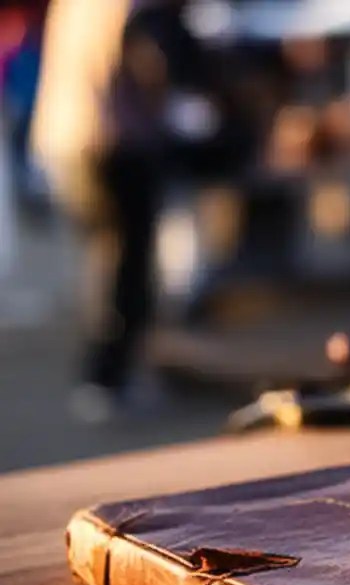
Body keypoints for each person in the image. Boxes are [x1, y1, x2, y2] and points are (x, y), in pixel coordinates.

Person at [33, 0, 211, 421]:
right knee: (127, 268)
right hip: (116, 141)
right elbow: (157, 62)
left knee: (105, 260)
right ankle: (110, 375)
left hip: (65, 138)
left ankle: (111, 372)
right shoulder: (136, 7)